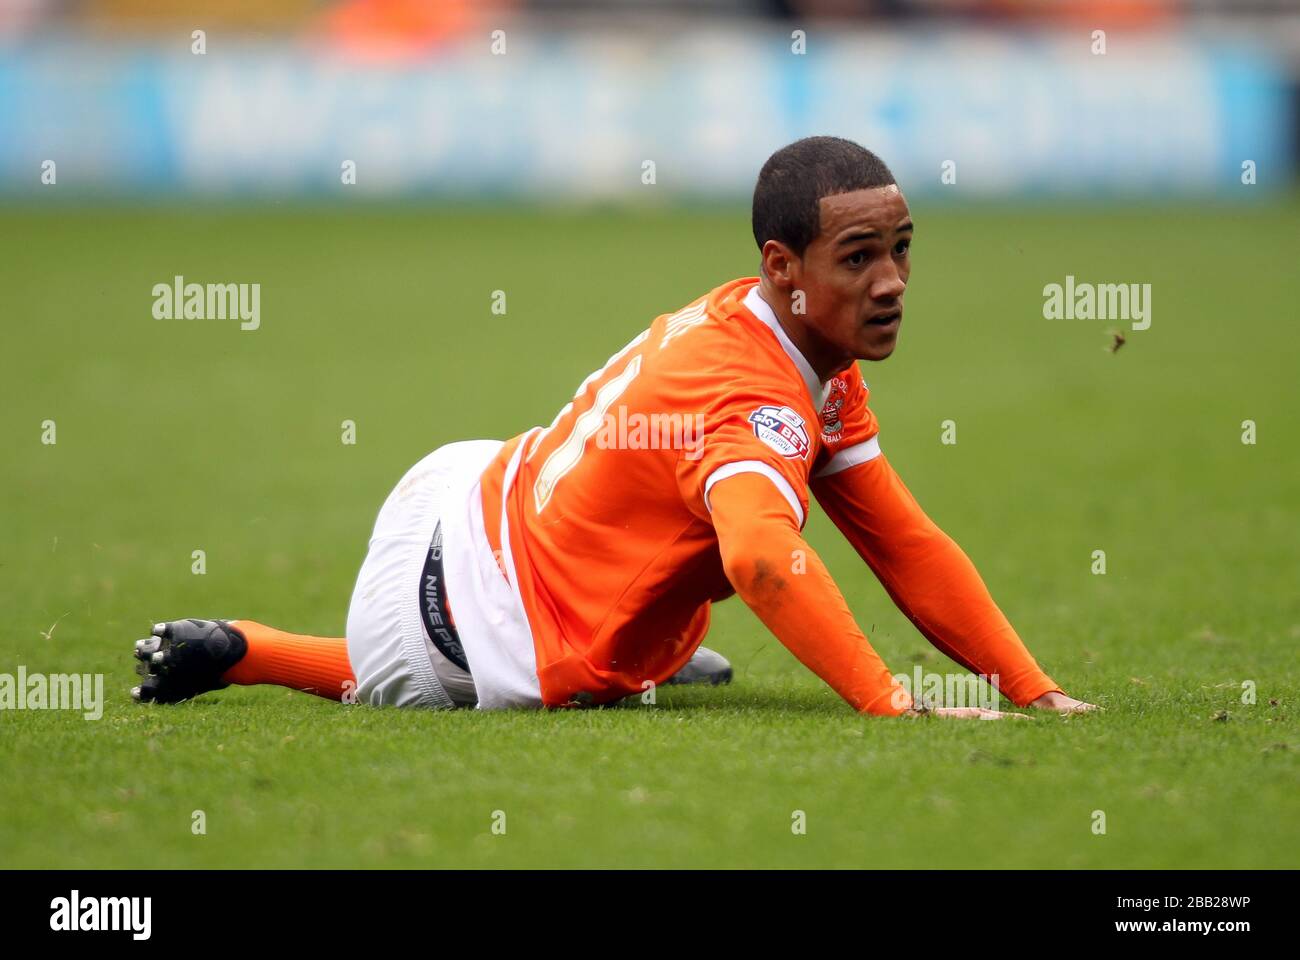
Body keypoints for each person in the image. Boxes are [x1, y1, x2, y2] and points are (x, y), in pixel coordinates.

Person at [132, 136, 1097, 720]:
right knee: (675, 589)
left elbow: (903, 540)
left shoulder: (780, 334)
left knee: (681, 554)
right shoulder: (748, 393)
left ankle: (656, 655)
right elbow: (764, 564)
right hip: (444, 624)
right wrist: (885, 699)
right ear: (781, 265)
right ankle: (253, 650)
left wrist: (1029, 683)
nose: (890, 281)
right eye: (858, 257)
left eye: (900, 250)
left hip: (473, 486)